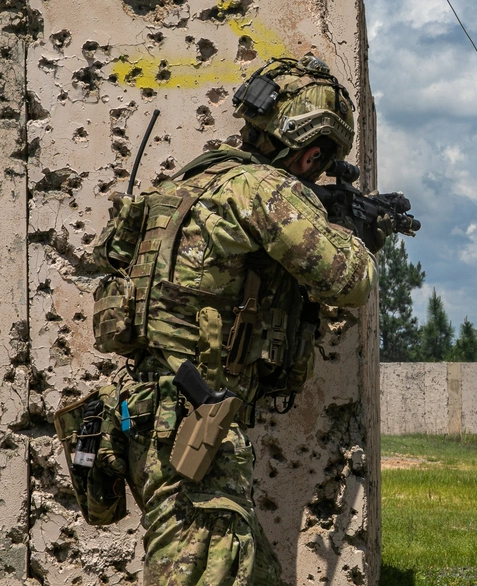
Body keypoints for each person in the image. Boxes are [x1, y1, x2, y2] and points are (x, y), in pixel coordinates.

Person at [94, 55, 382, 585]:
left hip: (149, 417)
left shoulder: (185, 185)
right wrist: (356, 232)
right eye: (320, 161)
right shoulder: (263, 190)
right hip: (196, 430)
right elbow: (350, 278)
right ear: (311, 150)